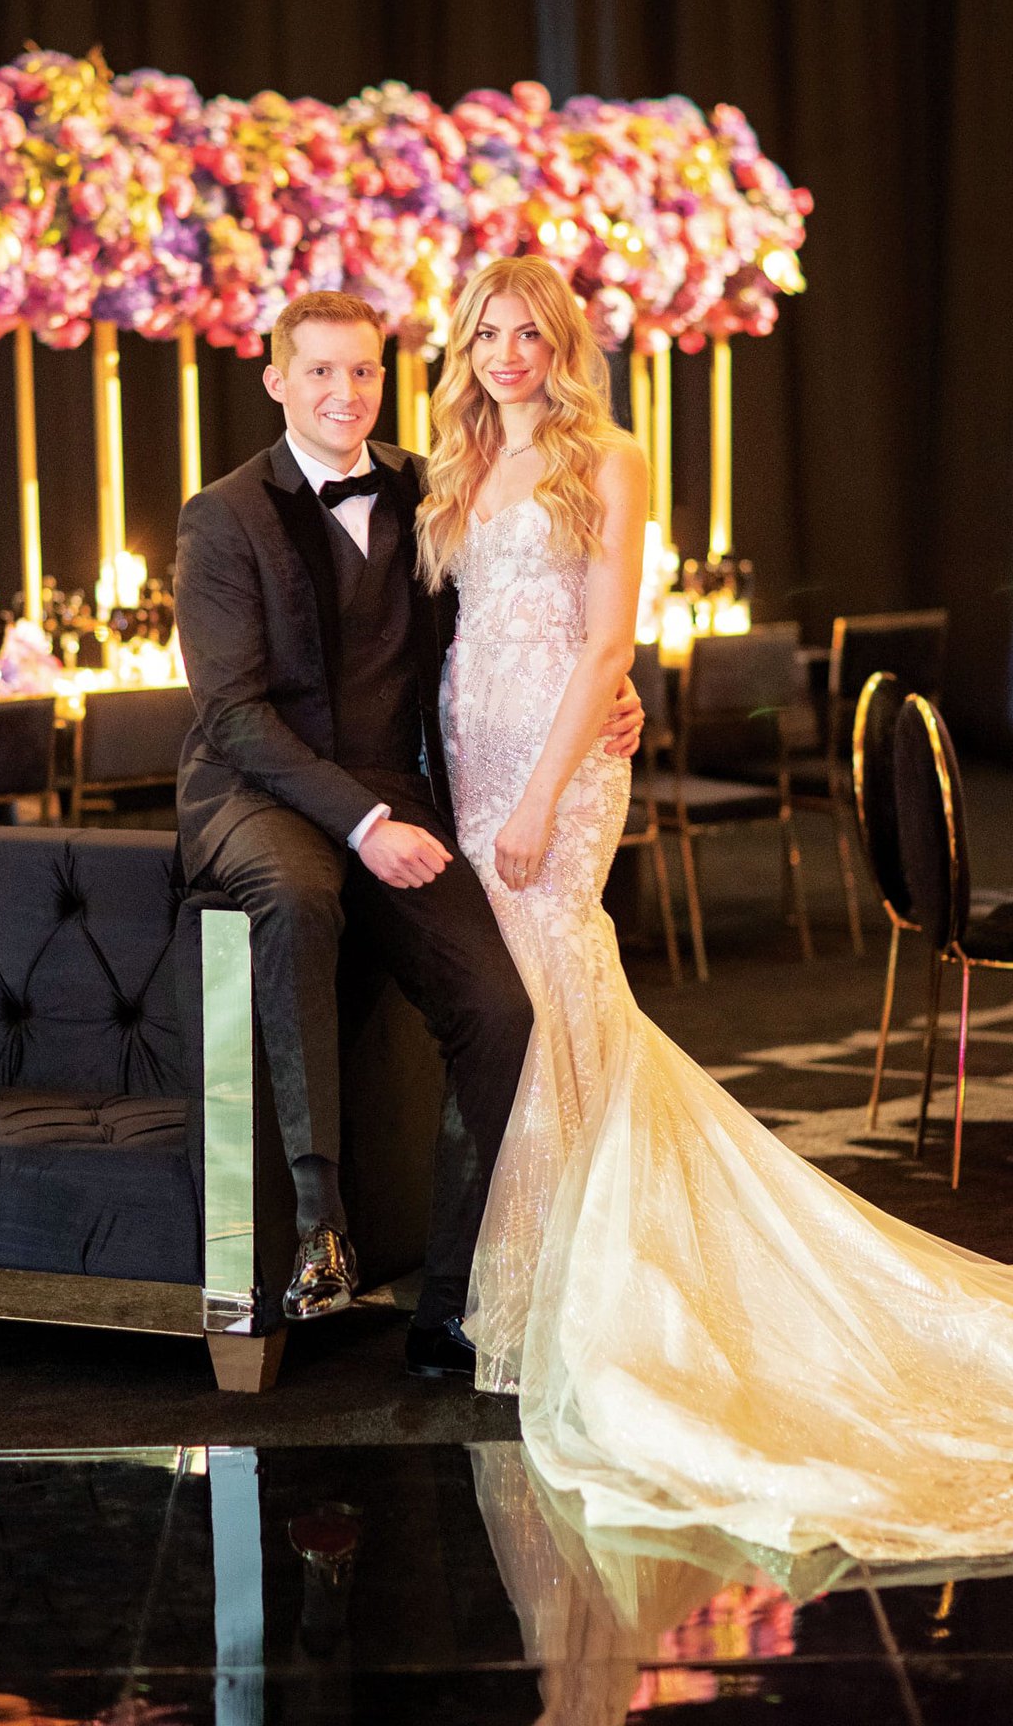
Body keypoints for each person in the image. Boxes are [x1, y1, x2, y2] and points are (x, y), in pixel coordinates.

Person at [419, 254, 1013, 1561]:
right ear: (467, 343)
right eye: (490, 331)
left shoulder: (607, 461)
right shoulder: (455, 469)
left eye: (530, 331)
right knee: (532, 1011)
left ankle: (573, 1295)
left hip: (556, 780)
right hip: (466, 758)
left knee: (557, 975)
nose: (509, 351)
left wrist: (539, 791)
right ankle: (536, 1276)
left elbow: (609, 645)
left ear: (564, 342)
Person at [173, 290, 640, 1377]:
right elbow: (232, 714)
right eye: (321, 372)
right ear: (277, 379)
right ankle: (317, 1219)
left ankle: (459, 1303)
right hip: (259, 791)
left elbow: (511, 625)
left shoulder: (431, 486)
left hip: (406, 791)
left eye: (363, 372)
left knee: (499, 1003)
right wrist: (364, 819)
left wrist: (618, 698)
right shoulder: (224, 513)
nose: (344, 393)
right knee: (298, 896)